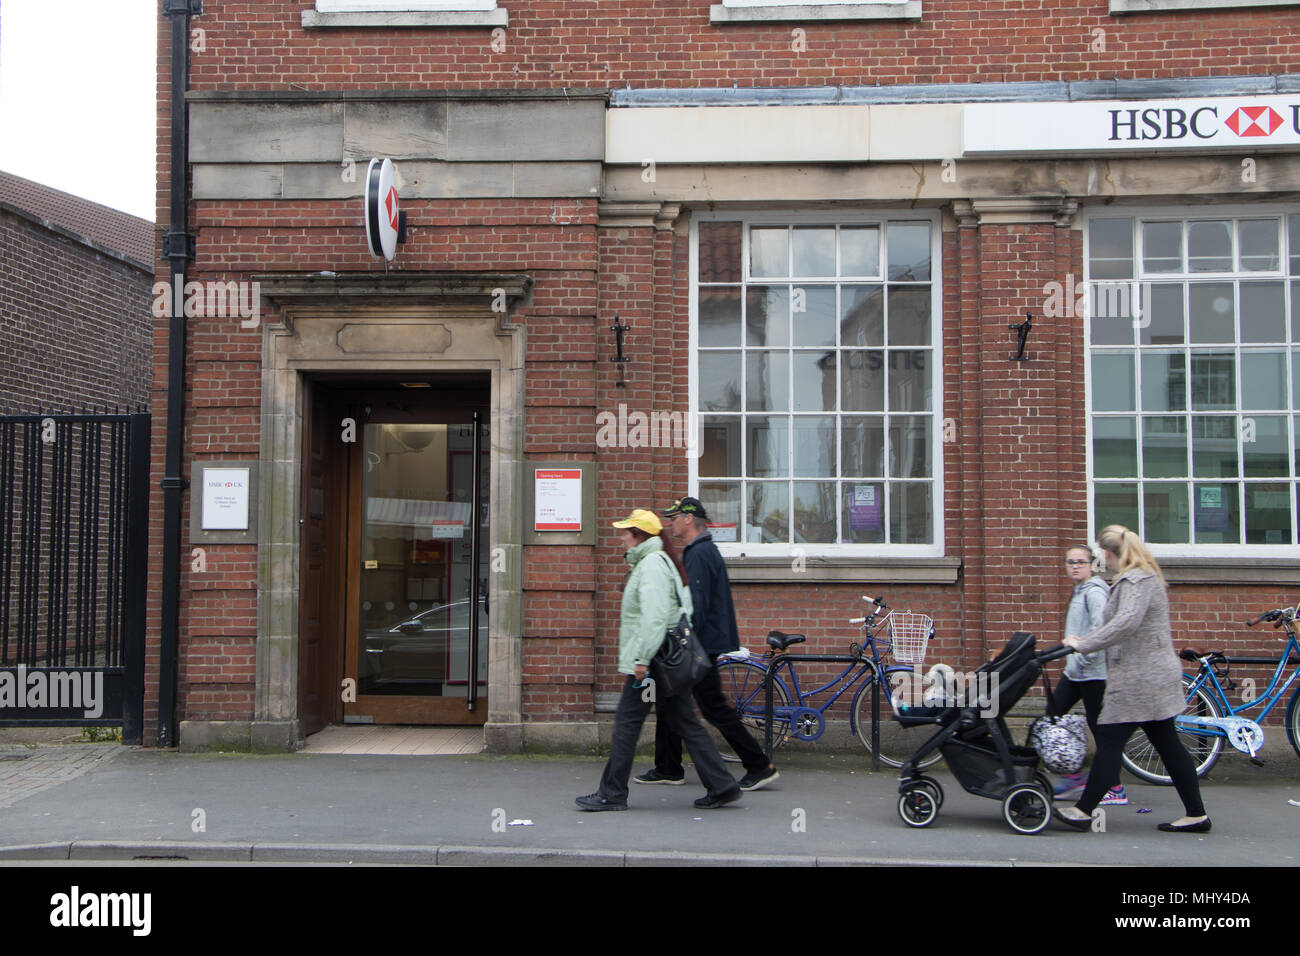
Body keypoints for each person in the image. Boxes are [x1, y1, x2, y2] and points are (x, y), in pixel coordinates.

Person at [575, 508, 741, 811]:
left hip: (650, 665)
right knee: (686, 722)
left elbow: (653, 618)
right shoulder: (664, 561)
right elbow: (685, 609)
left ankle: (611, 793)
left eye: (627, 532)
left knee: (627, 724)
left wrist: (642, 659)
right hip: (664, 662)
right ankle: (722, 785)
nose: (623, 537)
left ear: (641, 536)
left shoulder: (651, 565)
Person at [1056, 525, 1211, 833]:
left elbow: (1124, 623)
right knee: (1168, 745)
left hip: (1140, 679)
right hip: (1149, 676)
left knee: (1111, 741)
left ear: (1112, 553)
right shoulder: (1143, 576)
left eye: (1102, 554)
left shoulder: (1135, 580)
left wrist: (1082, 643)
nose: (1102, 560)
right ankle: (1196, 814)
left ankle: (1083, 811)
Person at [633, 497, 780, 792]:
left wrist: (680, 643)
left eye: (675, 518)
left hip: (700, 647)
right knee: (669, 701)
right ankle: (668, 766)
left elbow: (694, 607)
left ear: (689, 519)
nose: (671, 523)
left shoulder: (699, 554)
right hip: (701, 645)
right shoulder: (701, 550)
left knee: (712, 708)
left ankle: (758, 765)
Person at [1052, 545, 1126, 806]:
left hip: (1093, 674)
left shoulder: (1094, 593)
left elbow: (1100, 632)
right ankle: (1074, 775)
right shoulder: (1079, 591)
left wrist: (1083, 654)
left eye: (1080, 562)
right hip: (1076, 672)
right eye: (1070, 561)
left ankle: (1114, 787)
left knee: (1101, 730)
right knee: (1053, 716)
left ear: (1093, 564)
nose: (1075, 566)